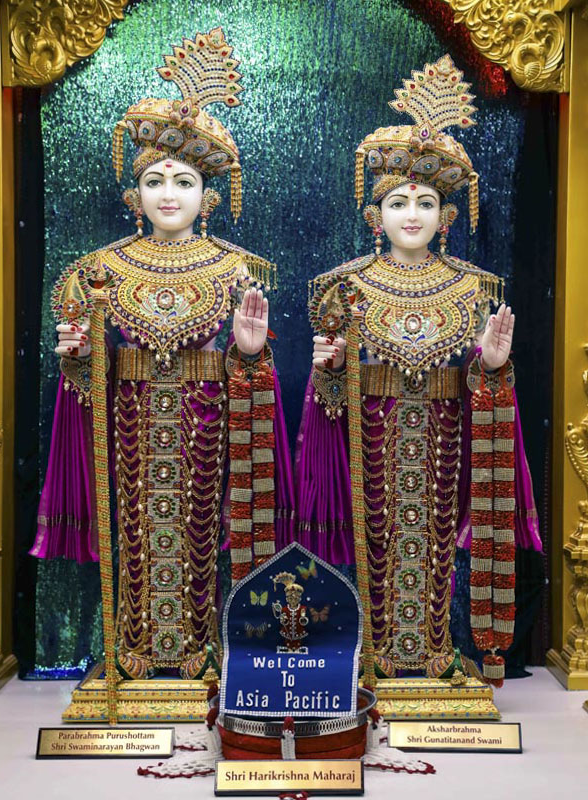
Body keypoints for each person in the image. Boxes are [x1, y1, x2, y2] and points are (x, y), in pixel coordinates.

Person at [31, 29, 294, 681]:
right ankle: (133, 654)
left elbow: (258, 378)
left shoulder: (238, 273)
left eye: (183, 180)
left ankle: (208, 652)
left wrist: (250, 357)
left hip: (212, 427)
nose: (168, 192)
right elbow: (86, 384)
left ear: (208, 196)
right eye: (154, 180)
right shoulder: (101, 272)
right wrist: (78, 361)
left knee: (207, 534)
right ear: (134, 196)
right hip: (133, 430)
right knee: (139, 537)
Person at [295, 55, 540, 686]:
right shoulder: (342, 288)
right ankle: (369, 655)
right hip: (369, 440)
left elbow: (487, 385)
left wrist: (491, 368)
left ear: (447, 216)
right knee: (373, 539)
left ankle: (437, 651)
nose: (412, 214)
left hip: (445, 440)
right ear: (376, 215)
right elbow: (326, 403)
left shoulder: (475, 290)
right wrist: (330, 374)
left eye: (426, 202)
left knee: (432, 549)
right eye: (398, 201)